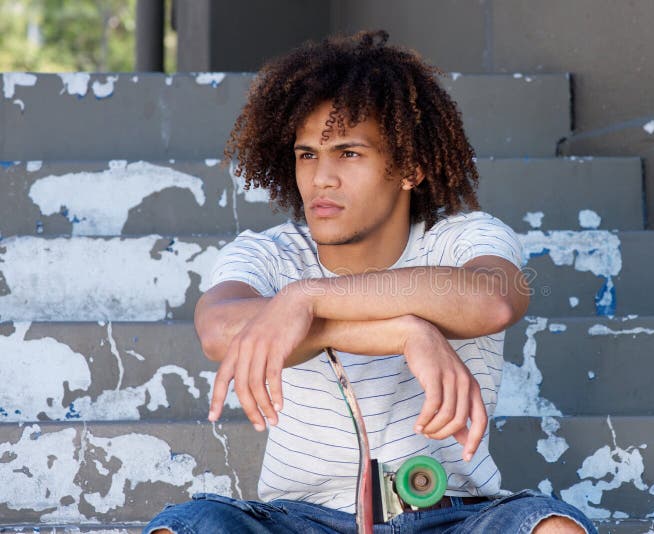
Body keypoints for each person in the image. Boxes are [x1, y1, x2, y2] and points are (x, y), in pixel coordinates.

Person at [146, 30, 596, 534]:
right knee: (187, 527)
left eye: (349, 153)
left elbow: (491, 301)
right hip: (300, 520)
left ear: (409, 167)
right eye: (307, 154)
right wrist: (403, 331)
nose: (321, 178)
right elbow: (220, 331)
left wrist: (306, 299)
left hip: (453, 515)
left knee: (555, 529)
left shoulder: (462, 238)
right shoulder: (268, 255)